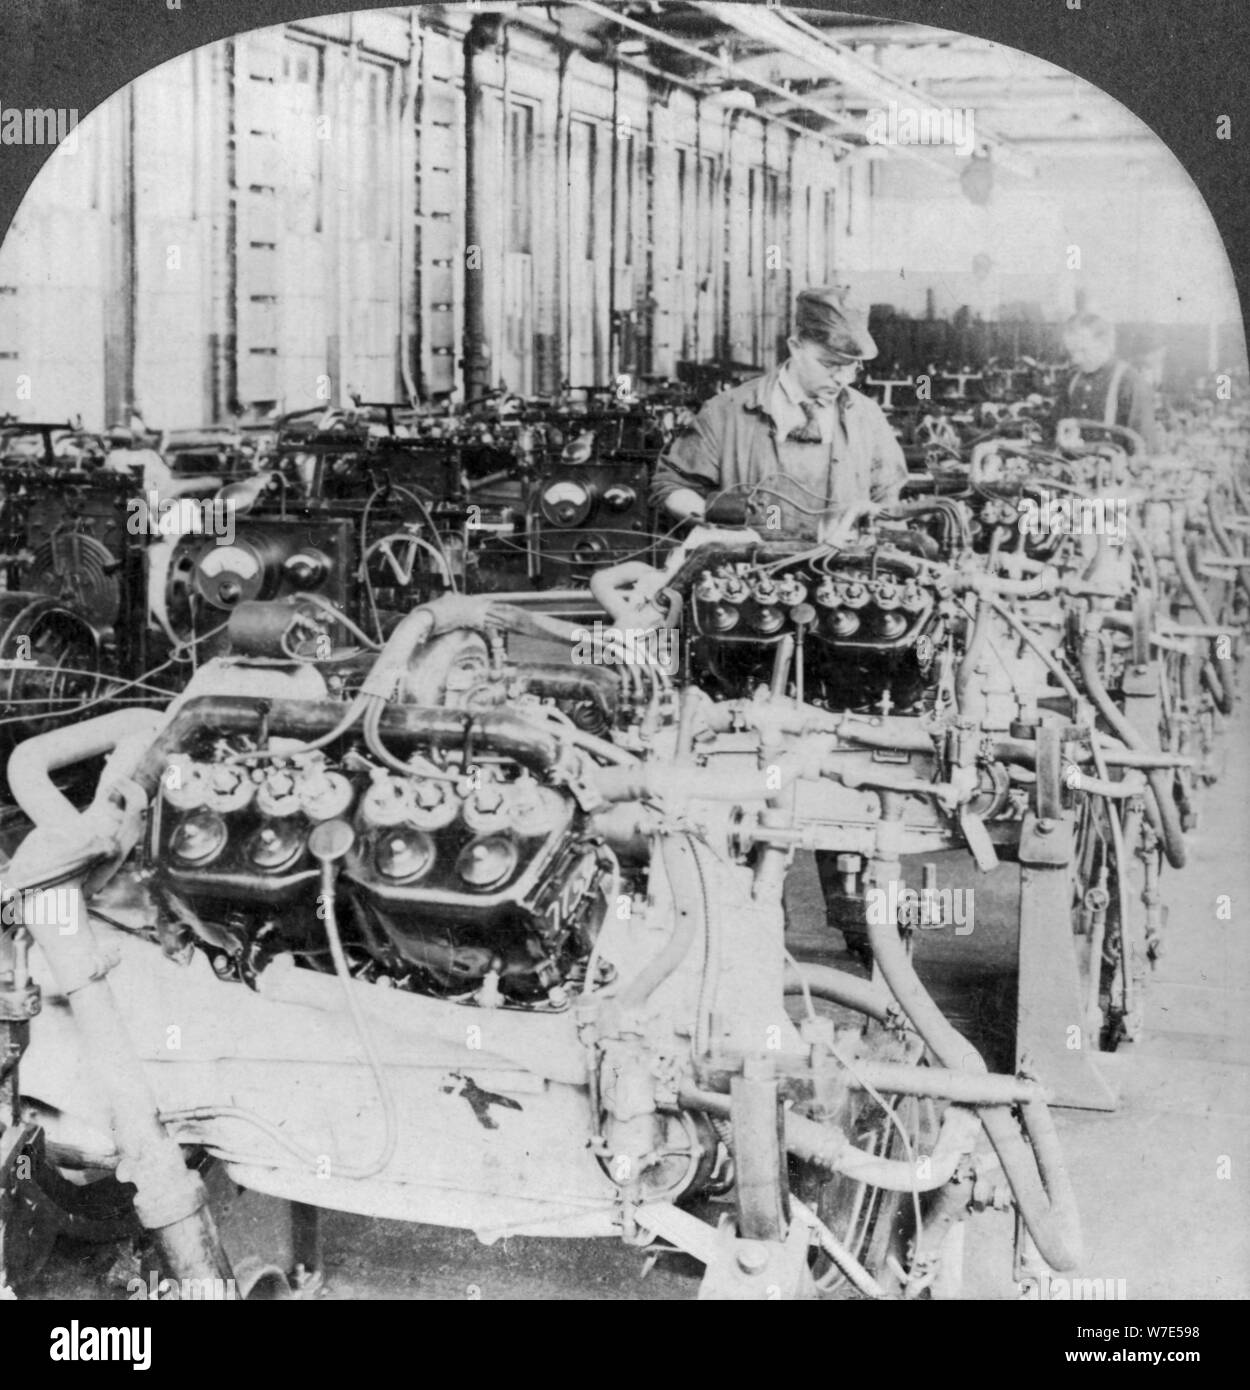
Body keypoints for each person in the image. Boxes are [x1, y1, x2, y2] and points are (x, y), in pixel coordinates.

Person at [650, 285, 908, 539]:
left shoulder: (867, 418)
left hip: (841, 571)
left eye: (851, 367)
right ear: (796, 347)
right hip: (746, 572)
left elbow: (889, 500)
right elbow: (671, 485)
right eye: (830, 364)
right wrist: (715, 526)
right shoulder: (726, 412)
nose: (842, 379)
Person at [1053, 312, 1158, 451]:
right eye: (1072, 352)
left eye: (1083, 351)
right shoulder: (1073, 379)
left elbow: (1143, 447)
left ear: (1105, 344)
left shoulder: (1129, 382)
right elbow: (1056, 426)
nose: (1076, 359)